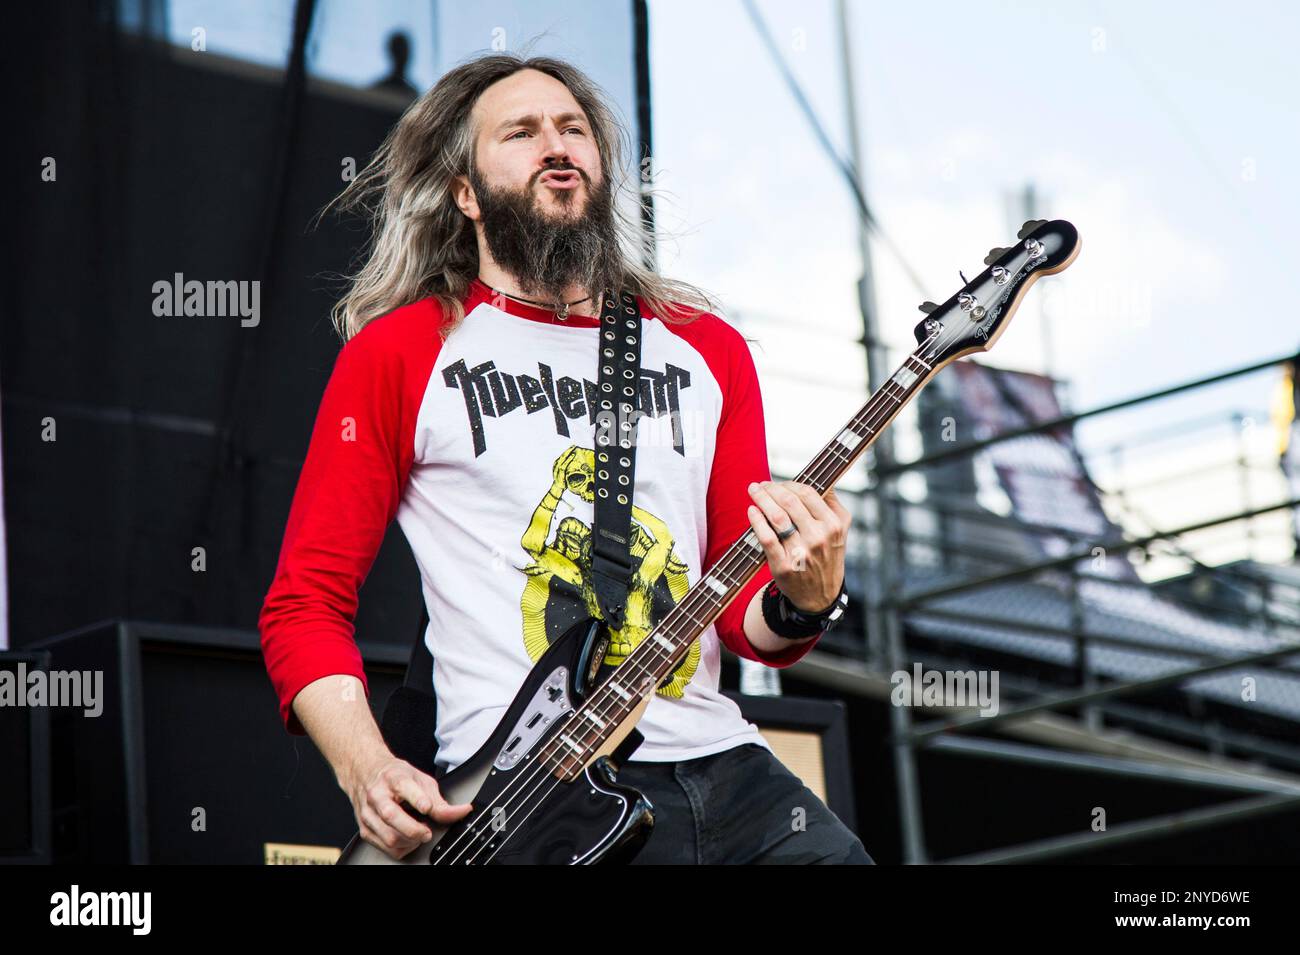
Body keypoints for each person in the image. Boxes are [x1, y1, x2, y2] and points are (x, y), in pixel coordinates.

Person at [258, 50, 871, 865]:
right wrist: (367, 766)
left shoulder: (705, 348)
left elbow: (743, 609)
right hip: (530, 792)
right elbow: (304, 604)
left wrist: (806, 596)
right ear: (466, 194)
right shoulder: (402, 353)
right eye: (521, 131)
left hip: (727, 773)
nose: (557, 144)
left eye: (574, 128)